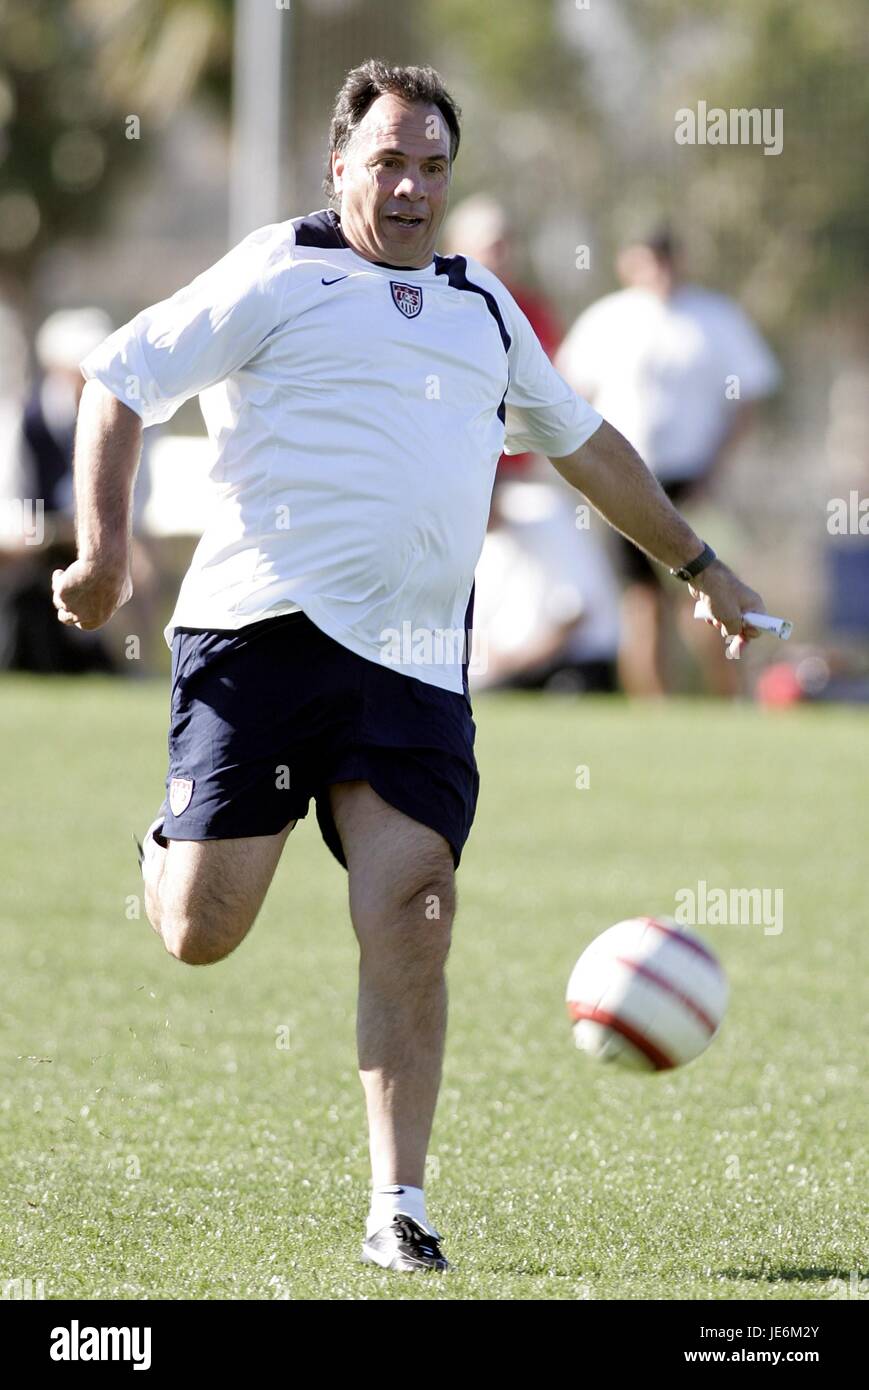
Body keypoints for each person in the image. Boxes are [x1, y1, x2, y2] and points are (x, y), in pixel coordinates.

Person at [52, 61, 768, 1273]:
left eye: (432, 167)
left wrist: (702, 567)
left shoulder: (481, 305)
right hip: (261, 638)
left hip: (415, 666)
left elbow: (588, 449)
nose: (410, 188)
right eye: (388, 163)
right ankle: (164, 851)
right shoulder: (275, 272)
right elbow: (119, 379)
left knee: (412, 907)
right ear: (339, 167)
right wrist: (103, 553)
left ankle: (400, 1204)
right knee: (201, 932)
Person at [556, 230, 780, 696]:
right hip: (625, 480)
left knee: (706, 595)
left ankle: (729, 702)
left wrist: (714, 472)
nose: (658, 271)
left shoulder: (713, 317)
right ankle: (656, 711)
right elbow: (569, 395)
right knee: (642, 602)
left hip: (692, 480)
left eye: (665, 259)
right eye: (647, 260)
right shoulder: (606, 319)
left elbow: (747, 401)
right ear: (627, 263)